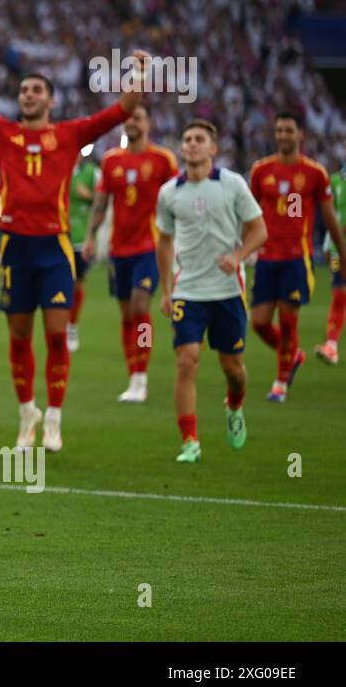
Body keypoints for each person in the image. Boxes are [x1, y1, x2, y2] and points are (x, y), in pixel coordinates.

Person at [0, 27, 143, 452]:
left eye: (36, 90)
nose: (28, 95)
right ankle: (26, 414)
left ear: (50, 100)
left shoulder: (69, 135)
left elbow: (121, 110)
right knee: (18, 337)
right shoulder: (2, 133)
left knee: (54, 335)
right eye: (24, 90)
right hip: (15, 248)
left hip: (54, 248)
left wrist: (138, 73)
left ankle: (54, 418)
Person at [156, 120, 266, 463]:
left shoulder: (232, 184)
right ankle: (190, 441)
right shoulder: (169, 192)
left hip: (227, 290)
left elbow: (259, 230)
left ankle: (234, 405)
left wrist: (237, 256)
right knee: (186, 361)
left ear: (213, 148)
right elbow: (164, 240)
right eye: (186, 139)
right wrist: (166, 290)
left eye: (199, 139)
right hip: (188, 289)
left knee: (232, 368)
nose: (191, 144)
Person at [248, 112, 346, 401]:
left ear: (300, 134)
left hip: (296, 259)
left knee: (289, 321)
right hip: (267, 258)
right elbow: (249, 213)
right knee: (259, 322)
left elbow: (329, 219)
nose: (283, 136)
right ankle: (293, 355)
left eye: (288, 131)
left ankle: (280, 383)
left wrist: (342, 252)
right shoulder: (260, 171)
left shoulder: (315, 173)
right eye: (279, 130)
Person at [82, 105, 177, 402]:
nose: (131, 123)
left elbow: (178, 199)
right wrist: (90, 237)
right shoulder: (112, 161)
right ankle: (132, 370)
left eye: (137, 118)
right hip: (118, 249)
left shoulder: (162, 160)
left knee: (140, 307)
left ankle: (141, 377)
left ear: (149, 123)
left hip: (150, 247)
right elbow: (100, 202)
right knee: (126, 314)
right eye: (128, 118)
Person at [64, 150, 98, 350]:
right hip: (59, 236)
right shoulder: (57, 170)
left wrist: (90, 195)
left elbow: (104, 200)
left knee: (139, 306)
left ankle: (72, 325)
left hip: (80, 238)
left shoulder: (92, 173)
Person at [314, 155, 346, 364]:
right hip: (337, 250)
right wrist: (327, 246)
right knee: (340, 293)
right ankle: (332, 346)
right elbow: (329, 216)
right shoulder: (333, 181)